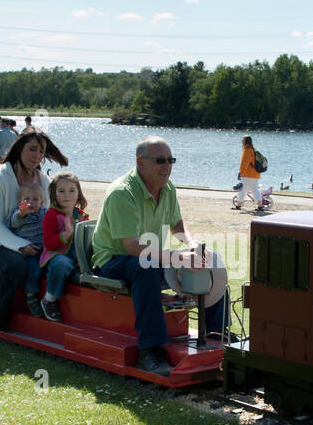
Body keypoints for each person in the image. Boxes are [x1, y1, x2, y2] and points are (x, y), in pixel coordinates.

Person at [91, 136, 228, 376]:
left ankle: (218, 335)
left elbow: (177, 225)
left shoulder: (167, 188)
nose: (167, 167)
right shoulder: (122, 193)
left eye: (171, 160)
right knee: (143, 270)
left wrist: (192, 245)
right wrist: (177, 259)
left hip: (151, 259)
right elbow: (132, 247)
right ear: (140, 162)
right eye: (160, 161)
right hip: (112, 260)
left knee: (211, 268)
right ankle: (150, 351)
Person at [0, 129, 69, 327]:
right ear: (20, 148)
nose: (37, 156)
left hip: (37, 239)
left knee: (60, 261)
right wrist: (20, 245)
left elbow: (47, 215)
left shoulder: (43, 180)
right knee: (17, 265)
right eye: (32, 150)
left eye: (41, 152)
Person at [40, 170, 88, 322]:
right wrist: (65, 236)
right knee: (62, 264)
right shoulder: (52, 215)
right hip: (56, 255)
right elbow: (48, 243)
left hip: (78, 256)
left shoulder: (81, 216)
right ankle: (49, 299)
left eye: (71, 191)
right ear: (54, 194)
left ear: (78, 194)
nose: (67, 195)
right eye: (61, 191)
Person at [6, 182, 48, 317]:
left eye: (35, 199)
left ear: (41, 202)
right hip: (29, 252)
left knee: (49, 269)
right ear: (20, 202)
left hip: (44, 251)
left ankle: (49, 298)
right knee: (32, 270)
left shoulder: (44, 212)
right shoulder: (19, 214)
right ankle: (31, 296)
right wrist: (21, 214)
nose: (31, 202)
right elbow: (13, 223)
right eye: (27, 199)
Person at [232, 135, 262, 210]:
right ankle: (260, 206)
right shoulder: (253, 149)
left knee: (243, 189)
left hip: (248, 174)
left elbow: (244, 163)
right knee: (255, 190)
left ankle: (238, 205)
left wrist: (241, 172)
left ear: (246, 141)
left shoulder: (247, 150)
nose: (241, 141)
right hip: (255, 174)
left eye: (243, 139)